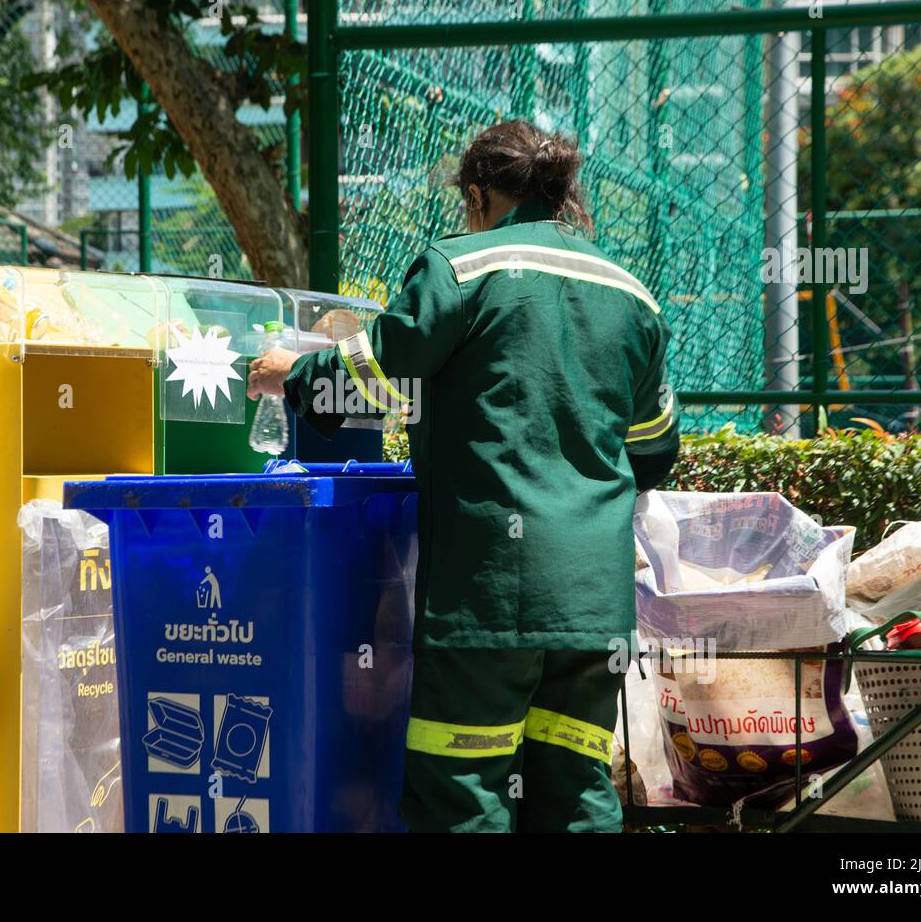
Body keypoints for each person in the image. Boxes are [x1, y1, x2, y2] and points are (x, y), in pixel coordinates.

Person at [246, 120, 680, 832]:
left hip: (489, 593)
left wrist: (292, 376)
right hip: (594, 603)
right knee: (573, 787)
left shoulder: (460, 268)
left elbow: (379, 374)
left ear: (479, 193)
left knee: (464, 786)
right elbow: (654, 448)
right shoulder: (632, 294)